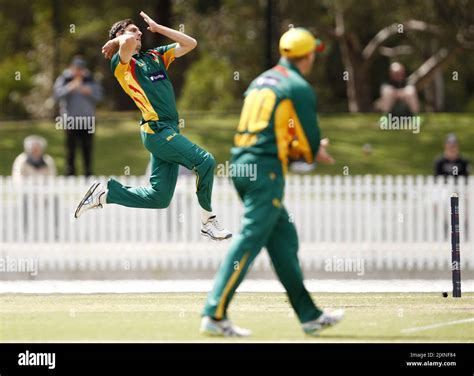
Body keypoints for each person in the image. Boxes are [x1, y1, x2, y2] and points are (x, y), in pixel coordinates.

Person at [200, 28, 344, 337]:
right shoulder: (298, 87)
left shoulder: (260, 80)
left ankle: (309, 315)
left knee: (284, 240)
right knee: (250, 239)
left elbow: (268, 131)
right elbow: (308, 146)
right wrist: (313, 150)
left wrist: (298, 149)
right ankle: (214, 312)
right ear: (308, 57)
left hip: (242, 164)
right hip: (265, 172)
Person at [74, 12, 231, 241]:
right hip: (156, 130)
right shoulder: (122, 64)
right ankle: (208, 221)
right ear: (119, 36)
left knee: (159, 198)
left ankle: (105, 196)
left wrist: (159, 28)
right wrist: (117, 41)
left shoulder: (155, 55)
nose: (139, 32)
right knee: (205, 161)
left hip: (168, 130)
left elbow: (191, 43)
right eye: (132, 29)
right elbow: (126, 43)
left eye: (139, 29)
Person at [54, 56, 103, 176]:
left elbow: (100, 96)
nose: (78, 71)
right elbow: (57, 95)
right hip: (70, 121)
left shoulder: (90, 80)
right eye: (76, 68)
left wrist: (89, 91)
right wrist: (70, 87)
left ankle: (88, 174)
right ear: (71, 68)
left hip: (88, 121)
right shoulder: (64, 79)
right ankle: (70, 174)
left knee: (87, 149)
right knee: (70, 149)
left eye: (81, 69)